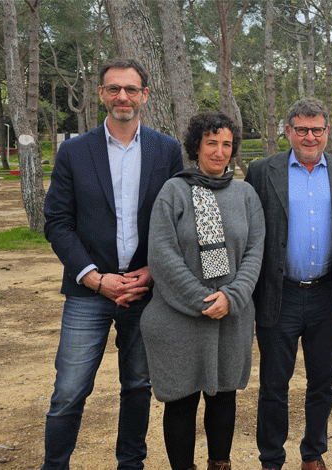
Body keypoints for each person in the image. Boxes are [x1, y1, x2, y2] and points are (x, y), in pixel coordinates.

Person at [42, 57, 183, 469]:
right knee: (69, 391)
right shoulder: (74, 151)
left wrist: (154, 271)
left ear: (145, 95)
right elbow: (57, 221)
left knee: (138, 386)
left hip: (145, 291)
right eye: (114, 88)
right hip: (88, 291)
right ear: (102, 93)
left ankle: (130, 464)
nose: (123, 96)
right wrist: (93, 277)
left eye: (131, 89)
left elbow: (178, 220)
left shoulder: (166, 150)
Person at [140, 112, 265, 470]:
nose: (219, 151)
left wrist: (232, 297)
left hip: (231, 317)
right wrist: (203, 300)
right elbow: (162, 254)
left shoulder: (245, 194)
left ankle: (219, 464)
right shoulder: (174, 191)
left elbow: (255, 251)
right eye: (211, 143)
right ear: (196, 147)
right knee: (181, 403)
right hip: (179, 318)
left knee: (223, 397)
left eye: (227, 144)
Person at [244, 97, 332, 470]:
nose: (309, 137)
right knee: (273, 385)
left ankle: (313, 453)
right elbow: (247, 231)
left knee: (322, 383)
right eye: (301, 130)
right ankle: (271, 458)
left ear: (327, 131)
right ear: (288, 131)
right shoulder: (262, 171)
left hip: (327, 295)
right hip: (278, 294)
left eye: (316, 130)